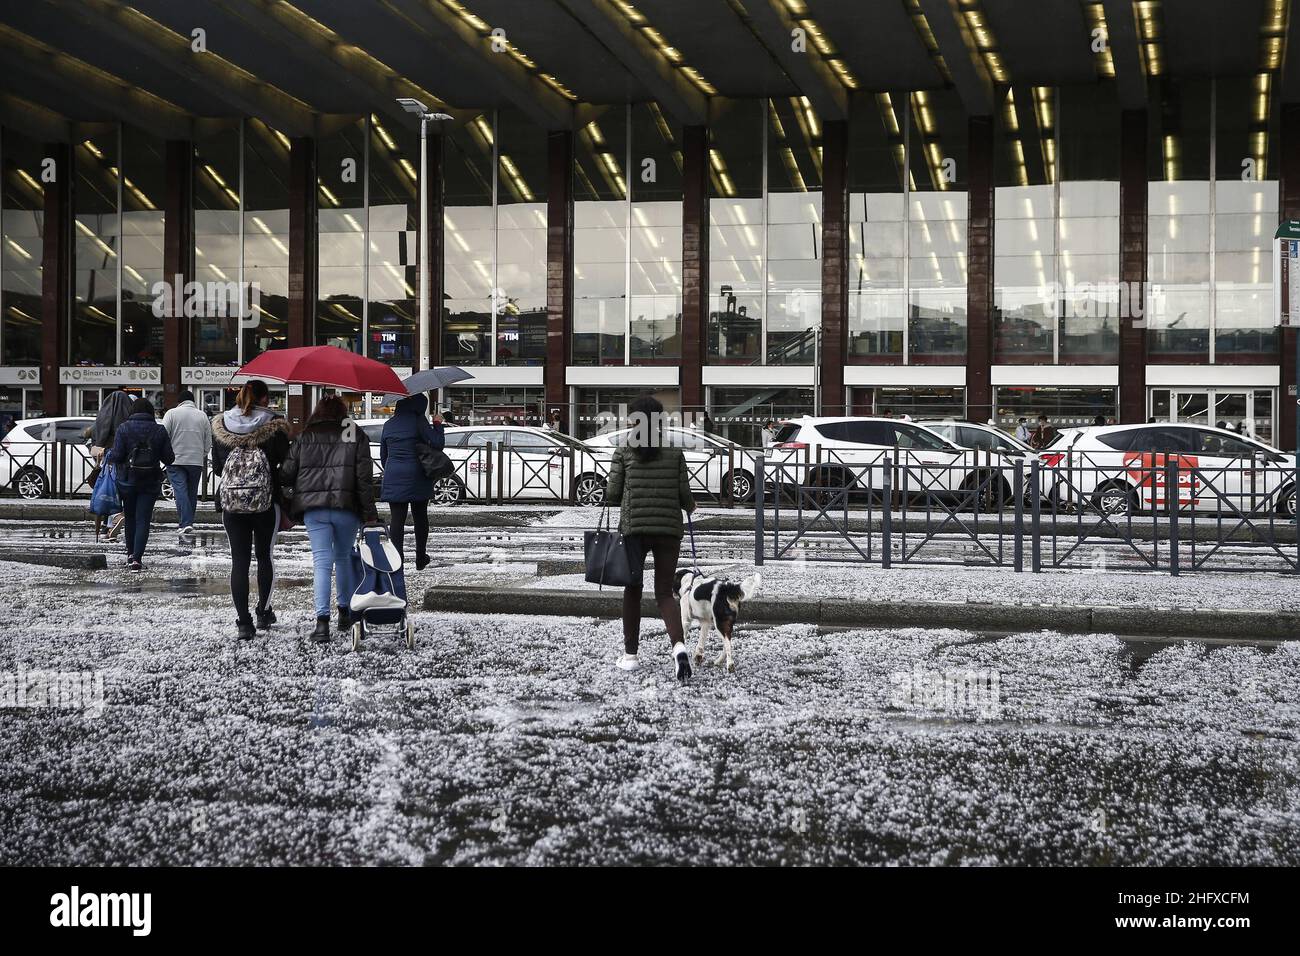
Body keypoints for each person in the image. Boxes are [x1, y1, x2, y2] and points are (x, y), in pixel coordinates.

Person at [604, 393, 697, 681]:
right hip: (668, 530)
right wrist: (689, 505)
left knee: (632, 590)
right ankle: (679, 648)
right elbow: (685, 497)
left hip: (634, 530)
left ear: (634, 421)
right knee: (664, 593)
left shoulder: (623, 451)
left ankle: (631, 656)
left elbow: (612, 494)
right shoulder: (674, 452)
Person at [281, 396, 379, 643]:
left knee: (321, 562)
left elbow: (286, 473)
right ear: (343, 412)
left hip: (315, 509)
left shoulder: (306, 435)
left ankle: (322, 623)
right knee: (343, 558)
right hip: (347, 507)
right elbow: (364, 477)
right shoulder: (354, 433)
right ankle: (344, 613)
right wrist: (369, 512)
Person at [211, 380, 290, 641]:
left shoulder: (221, 424)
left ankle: (244, 623)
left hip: (232, 504)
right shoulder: (274, 424)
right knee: (265, 557)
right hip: (266, 501)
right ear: (265, 399)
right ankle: (263, 612)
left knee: (239, 562)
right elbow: (285, 463)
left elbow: (218, 468)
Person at [108, 398, 174, 572]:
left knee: (130, 517)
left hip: (127, 480)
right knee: (143, 519)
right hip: (150, 480)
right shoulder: (159, 430)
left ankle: (130, 555)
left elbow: (116, 455)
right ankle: (137, 559)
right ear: (151, 412)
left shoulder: (123, 428)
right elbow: (170, 458)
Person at [380, 393, 444, 571]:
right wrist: (438, 424)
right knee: (420, 516)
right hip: (418, 474)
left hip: (394, 474)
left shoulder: (389, 424)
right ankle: (420, 557)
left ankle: (397, 560)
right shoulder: (419, 422)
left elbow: (383, 455)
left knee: (397, 519)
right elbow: (438, 443)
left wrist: (392, 469)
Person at [162, 389, 212, 541]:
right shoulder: (202, 415)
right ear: (192, 402)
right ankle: (187, 522)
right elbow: (208, 439)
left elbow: (163, 435)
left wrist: (166, 454)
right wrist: (202, 453)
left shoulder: (171, 413)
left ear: (180, 401)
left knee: (180, 491)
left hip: (175, 460)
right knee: (191, 492)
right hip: (195, 461)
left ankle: (185, 523)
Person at [92, 385, 135, 539]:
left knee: (107, 491)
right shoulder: (130, 416)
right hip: (128, 461)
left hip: (108, 459)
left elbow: (95, 439)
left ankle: (106, 526)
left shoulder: (103, 416)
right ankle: (119, 518)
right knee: (124, 491)